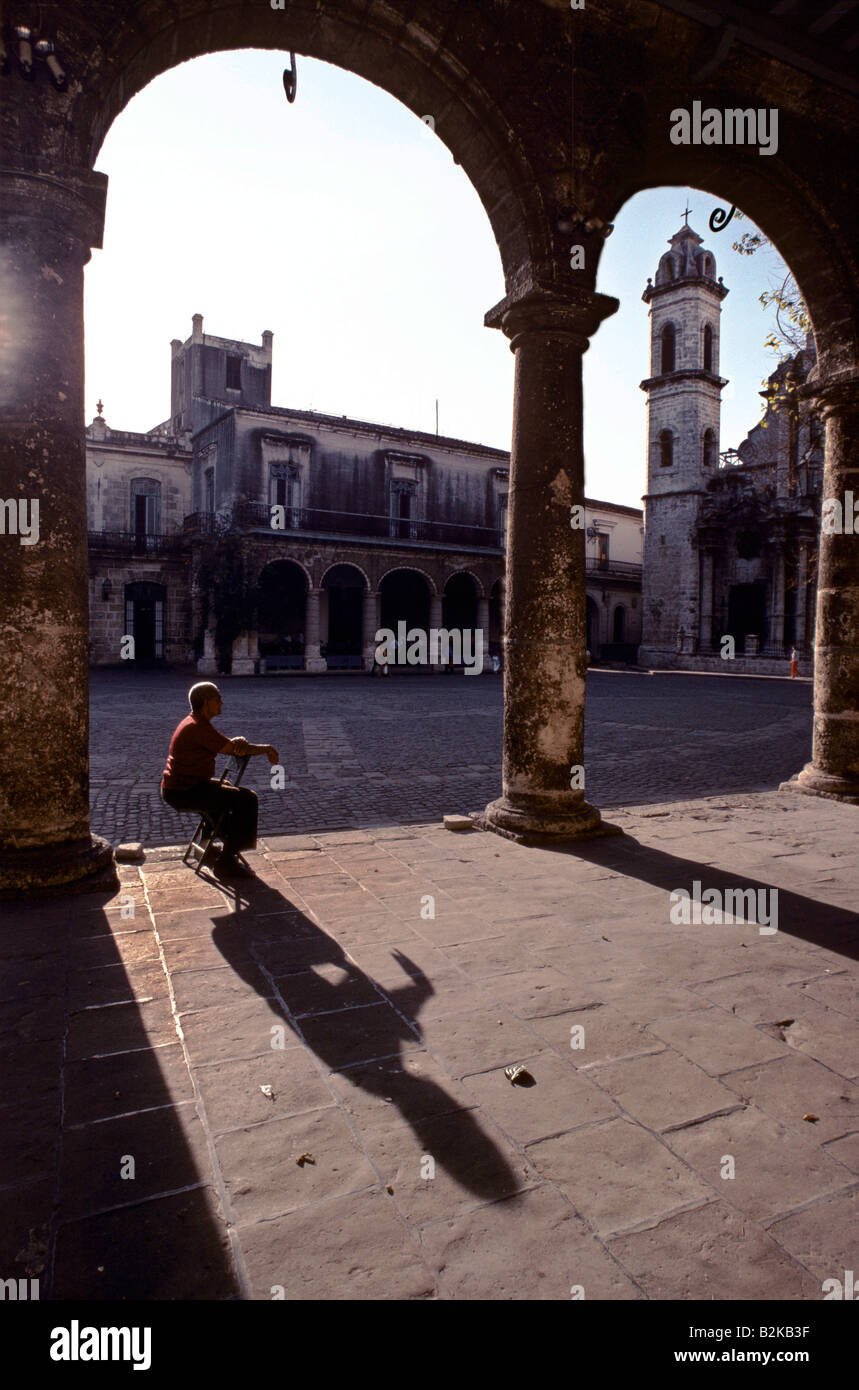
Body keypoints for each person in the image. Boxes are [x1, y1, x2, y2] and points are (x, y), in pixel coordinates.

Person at [160, 682, 279, 878]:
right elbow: (231, 749)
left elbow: (227, 745)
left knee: (226, 792)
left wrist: (238, 742)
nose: (221, 703)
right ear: (207, 703)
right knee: (247, 799)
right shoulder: (197, 727)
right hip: (184, 791)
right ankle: (227, 861)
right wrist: (267, 748)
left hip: (182, 786)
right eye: (218, 699)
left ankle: (209, 840)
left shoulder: (196, 723)